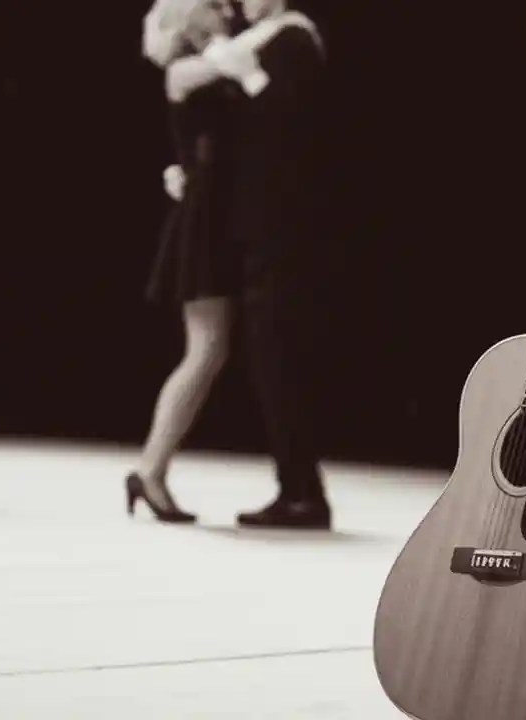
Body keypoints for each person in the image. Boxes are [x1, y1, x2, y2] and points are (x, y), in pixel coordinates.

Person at [165, 0, 333, 529]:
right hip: (263, 229)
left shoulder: (292, 41)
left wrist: (252, 78)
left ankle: (302, 493)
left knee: (278, 356)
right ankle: (297, 487)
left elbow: (297, 129)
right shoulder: (262, 43)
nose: (240, 4)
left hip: (285, 228)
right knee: (271, 358)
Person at [125, 0, 243, 523]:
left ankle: (152, 469)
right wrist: (283, 29)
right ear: (193, 19)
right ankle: (150, 470)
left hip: (207, 216)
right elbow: (230, 61)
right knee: (206, 349)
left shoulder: (208, 67)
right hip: (200, 223)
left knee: (209, 350)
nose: (228, 11)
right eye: (217, 5)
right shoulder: (184, 71)